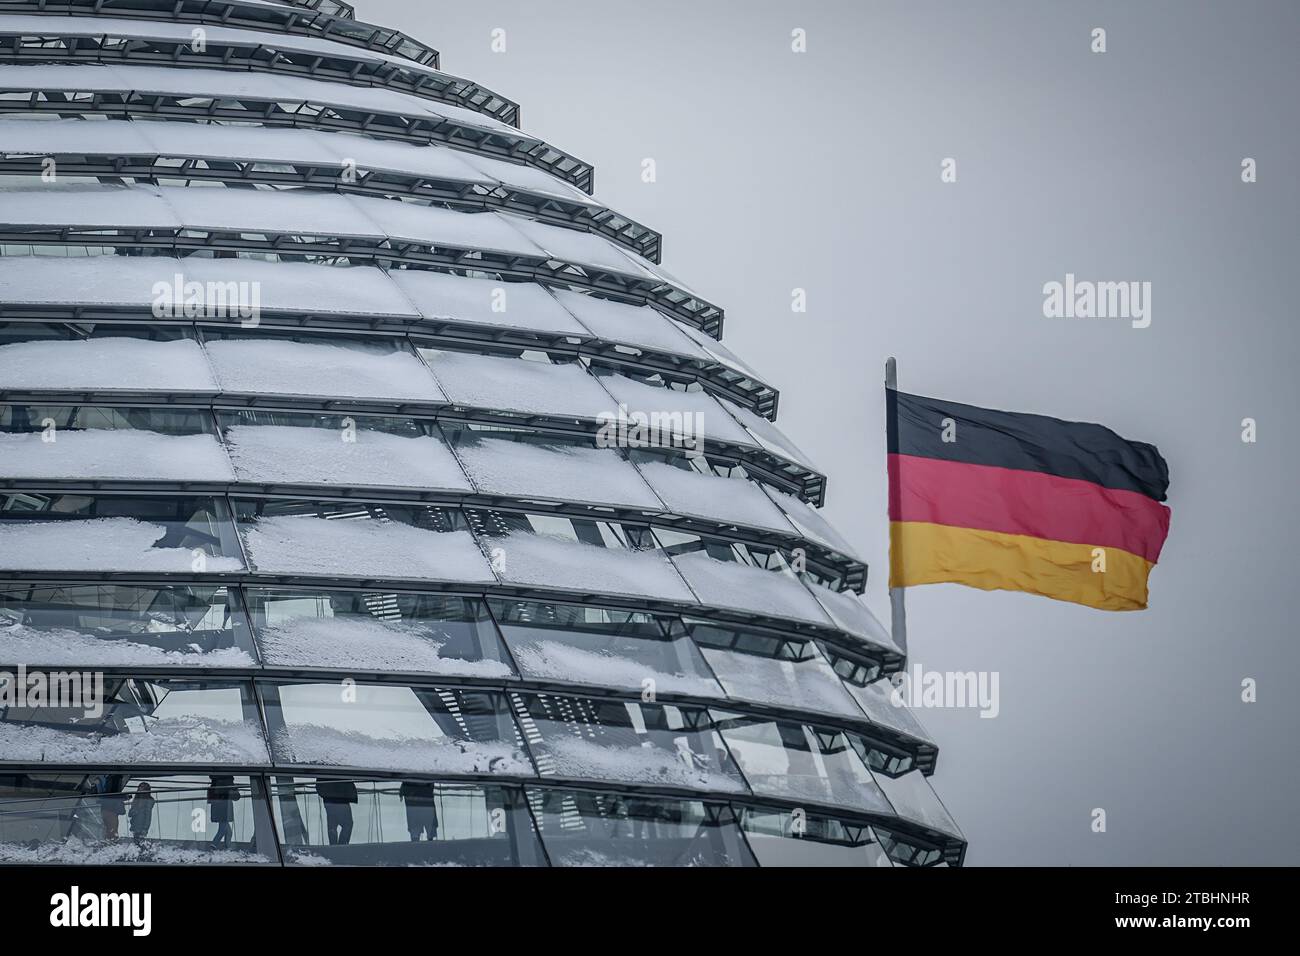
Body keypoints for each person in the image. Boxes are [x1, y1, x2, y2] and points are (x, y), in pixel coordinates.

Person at [315, 779, 358, 845]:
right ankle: (340, 847)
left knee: (333, 823)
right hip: (340, 798)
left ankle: (335, 847)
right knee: (347, 824)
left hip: (329, 799)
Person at [207, 775, 241, 848]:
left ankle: (227, 847)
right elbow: (236, 797)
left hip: (218, 808)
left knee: (228, 831)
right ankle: (214, 845)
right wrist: (236, 789)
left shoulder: (214, 782)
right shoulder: (228, 782)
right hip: (225, 809)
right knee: (222, 829)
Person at [98, 774, 127, 841]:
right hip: (110, 807)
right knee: (113, 790)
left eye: (116, 835)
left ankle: (113, 778)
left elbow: (111, 818)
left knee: (112, 790)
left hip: (110, 808)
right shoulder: (112, 828)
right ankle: (114, 778)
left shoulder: (111, 828)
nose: (117, 834)